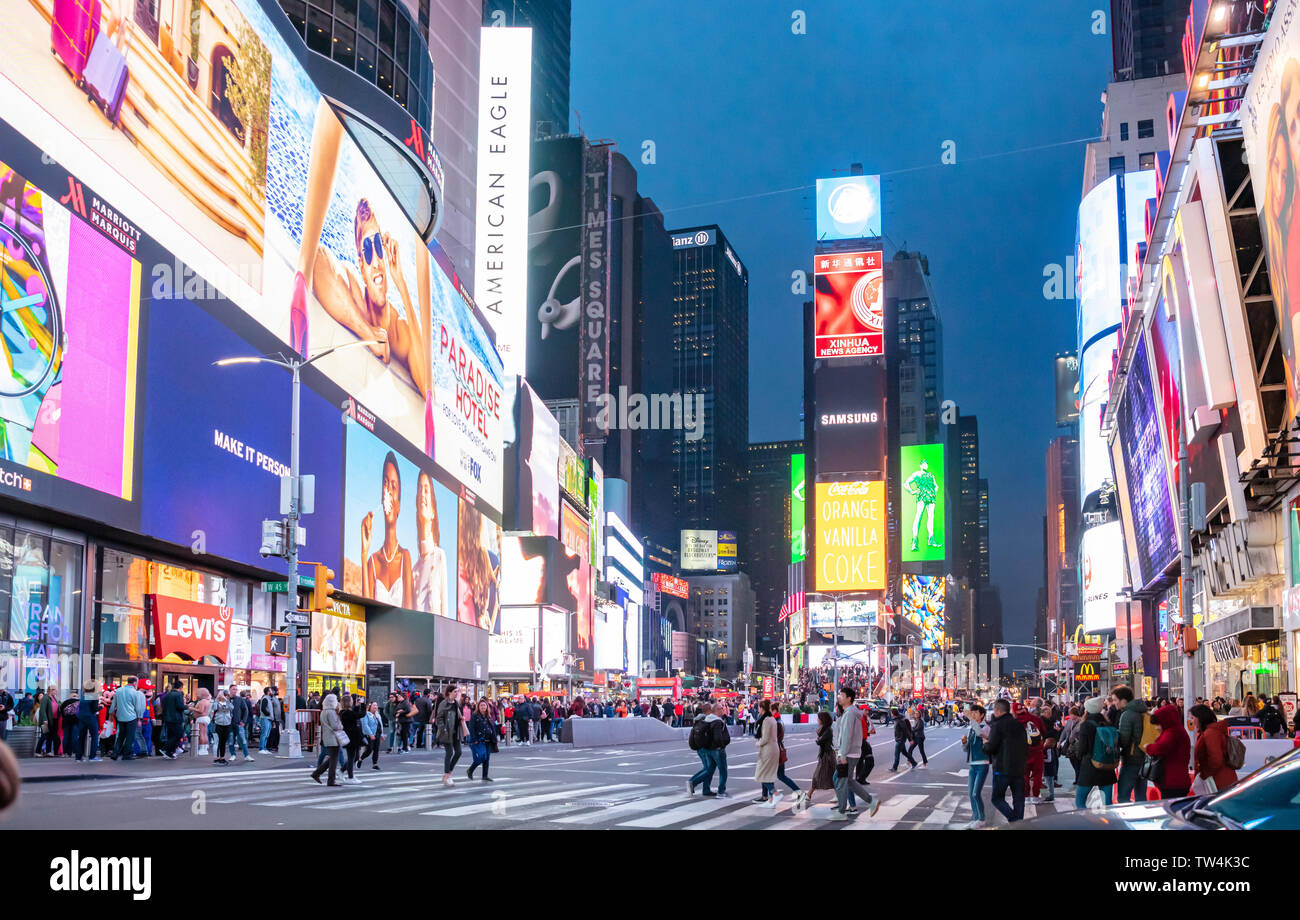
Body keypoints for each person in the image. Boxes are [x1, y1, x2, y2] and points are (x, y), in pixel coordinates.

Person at [830, 689, 878, 820]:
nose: (839, 697)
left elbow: (847, 735)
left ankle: (841, 812)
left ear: (849, 699)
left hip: (848, 753)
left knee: (840, 781)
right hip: (852, 752)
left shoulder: (850, 713)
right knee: (848, 781)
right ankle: (871, 801)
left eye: (842, 696)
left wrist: (843, 754)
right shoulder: (851, 712)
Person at [983, 698, 1028, 823]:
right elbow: (1025, 745)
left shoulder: (997, 726)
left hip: (1002, 768)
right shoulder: (1018, 724)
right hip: (1019, 767)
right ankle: (1018, 821)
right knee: (1018, 798)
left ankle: (1014, 819)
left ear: (997, 710)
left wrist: (985, 743)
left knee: (997, 798)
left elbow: (990, 747)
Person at [1070, 696, 1118, 809]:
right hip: (1107, 765)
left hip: (1090, 766)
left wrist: (1078, 755)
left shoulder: (1086, 725)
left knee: (1080, 801)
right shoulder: (1108, 723)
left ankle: (1086, 824)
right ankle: (1111, 825)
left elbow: (1082, 749)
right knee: (1108, 804)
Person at [1143, 702, 1191, 799]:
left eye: (1158, 724)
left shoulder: (1171, 733)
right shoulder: (1178, 730)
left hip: (1172, 781)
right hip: (1177, 780)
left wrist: (1148, 747)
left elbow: (1160, 748)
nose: (1157, 727)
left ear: (1165, 720)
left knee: (1171, 810)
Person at [1191, 703, 1238, 793]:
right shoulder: (1211, 732)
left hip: (1217, 781)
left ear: (1200, 718)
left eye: (1193, 718)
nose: (1192, 721)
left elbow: (1216, 759)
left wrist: (1204, 775)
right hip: (1219, 779)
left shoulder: (1210, 733)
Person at [1114, 685, 1148, 803]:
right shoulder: (1142, 711)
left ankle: (1127, 820)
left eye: (1115, 700)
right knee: (1141, 797)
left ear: (1123, 701)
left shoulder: (1127, 715)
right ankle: (1142, 820)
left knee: (1123, 796)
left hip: (1131, 758)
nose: (1114, 703)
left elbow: (1124, 740)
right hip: (1144, 757)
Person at [961, 702, 990, 828]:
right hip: (972, 764)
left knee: (975, 793)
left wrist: (971, 720)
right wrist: (964, 743)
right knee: (971, 794)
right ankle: (975, 818)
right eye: (972, 713)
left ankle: (982, 818)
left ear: (982, 715)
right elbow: (966, 749)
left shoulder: (986, 727)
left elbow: (980, 733)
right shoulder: (971, 728)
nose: (973, 715)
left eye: (975, 713)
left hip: (982, 763)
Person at [1013, 703, 1045, 803]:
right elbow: (1043, 732)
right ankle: (1036, 796)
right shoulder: (1035, 719)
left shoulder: (1014, 722)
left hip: (1022, 753)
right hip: (1037, 751)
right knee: (1037, 775)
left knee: (1024, 775)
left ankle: (1026, 796)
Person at [311, 694, 344, 786]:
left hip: (326, 737)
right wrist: (341, 725)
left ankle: (317, 773)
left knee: (332, 758)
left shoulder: (323, 711)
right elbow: (335, 726)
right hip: (333, 737)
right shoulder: (331, 712)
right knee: (334, 759)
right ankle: (330, 780)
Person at [752, 699, 781, 806]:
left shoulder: (766, 720)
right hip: (773, 748)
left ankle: (775, 793)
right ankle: (769, 798)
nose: (758, 709)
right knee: (768, 774)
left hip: (768, 749)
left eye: (759, 707)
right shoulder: (771, 719)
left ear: (762, 708)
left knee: (761, 774)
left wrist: (757, 743)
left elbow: (765, 738)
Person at [687, 701, 719, 797]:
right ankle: (693, 782)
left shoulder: (698, 719)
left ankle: (706, 789)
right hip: (705, 747)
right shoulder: (706, 719)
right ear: (709, 710)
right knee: (709, 769)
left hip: (699, 747)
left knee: (708, 768)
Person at [807, 711, 837, 807]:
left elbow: (819, 741)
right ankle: (809, 795)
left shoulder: (828, 730)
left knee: (820, 775)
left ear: (822, 720)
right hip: (824, 756)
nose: (817, 720)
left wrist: (818, 737)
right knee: (830, 776)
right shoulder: (824, 729)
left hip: (827, 757)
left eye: (818, 718)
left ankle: (809, 795)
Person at [467, 699, 497, 781]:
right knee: (481, 757)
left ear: (487, 706)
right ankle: (470, 770)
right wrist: (474, 739)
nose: (483, 707)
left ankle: (485, 776)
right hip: (479, 740)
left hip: (488, 739)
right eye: (481, 705)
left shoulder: (488, 716)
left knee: (487, 758)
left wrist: (494, 738)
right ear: (478, 707)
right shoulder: (475, 715)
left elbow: (492, 727)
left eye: (484, 705)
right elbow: (471, 728)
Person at [1038, 704, 1060, 803]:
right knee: (1048, 771)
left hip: (1048, 747)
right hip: (1047, 747)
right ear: (1045, 713)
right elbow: (1046, 733)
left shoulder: (1046, 721)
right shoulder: (1044, 722)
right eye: (1049, 713)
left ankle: (1050, 793)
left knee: (1048, 771)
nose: (1050, 714)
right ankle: (1050, 793)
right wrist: (1055, 731)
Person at [228, 684, 252, 762]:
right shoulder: (226, 699)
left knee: (243, 739)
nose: (235, 691)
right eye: (233, 689)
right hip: (228, 724)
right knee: (231, 740)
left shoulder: (240, 699)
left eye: (236, 689)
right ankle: (233, 754)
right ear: (230, 690)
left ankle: (247, 755)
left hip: (238, 723)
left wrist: (243, 721)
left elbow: (246, 710)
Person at [210, 690, 234, 765]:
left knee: (223, 741)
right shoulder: (216, 702)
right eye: (224, 695)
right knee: (218, 741)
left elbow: (232, 708)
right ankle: (216, 758)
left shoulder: (228, 702)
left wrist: (226, 700)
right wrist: (217, 699)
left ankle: (222, 757)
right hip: (218, 723)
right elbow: (214, 708)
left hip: (227, 723)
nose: (225, 696)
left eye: (226, 695)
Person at [890, 707, 916, 771]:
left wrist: (910, 739)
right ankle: (914, 762)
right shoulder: (897, 719)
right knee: (904, 752)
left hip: (900, 740)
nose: (890, 714)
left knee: (897, 754)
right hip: (900, 739)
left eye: (891, 713)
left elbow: (905, 730)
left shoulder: (899, 720)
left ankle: (894, 767)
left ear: (893, 714)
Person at [189, 688, 212, 756]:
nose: (196, 695)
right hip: (205, 718)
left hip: (201, 718)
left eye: (197, 693)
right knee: (204, 734)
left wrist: (191, 708)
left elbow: (200, 710)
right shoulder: (207, 701)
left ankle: (202, 749)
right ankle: (204, 748)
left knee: (201, 734)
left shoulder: (202, 702)